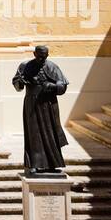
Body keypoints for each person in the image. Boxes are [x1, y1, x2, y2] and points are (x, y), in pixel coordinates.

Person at [12, 44, 69, 175]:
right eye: (39, 57)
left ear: (47, 56)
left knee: (51, 133)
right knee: (34, 135)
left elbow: (62, 85)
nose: (41, 59)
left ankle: (52, 164)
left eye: (44, 57)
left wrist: (53, 86)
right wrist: (21, 82)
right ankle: (35, 164)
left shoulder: (52, 66)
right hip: (31, 103)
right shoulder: (25, 66)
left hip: (48, 104)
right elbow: (17, 84)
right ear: (34, 54)